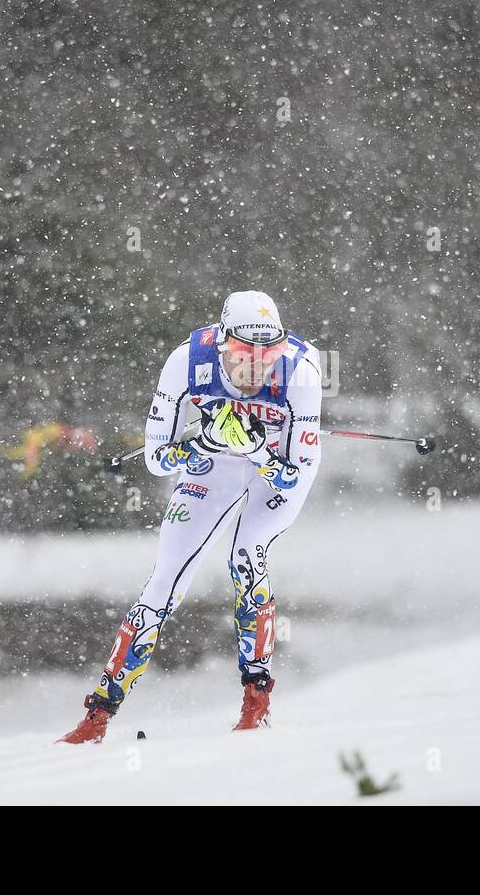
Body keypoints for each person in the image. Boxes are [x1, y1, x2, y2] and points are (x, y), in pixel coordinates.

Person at [60, 290, 324, 743]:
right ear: (223, 343)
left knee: (246, 555)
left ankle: (256, 699)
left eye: (269, 351)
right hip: (215, 461)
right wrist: (201, 444)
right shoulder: (186, 361)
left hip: (274, 460)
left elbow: (292, 475)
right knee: (165, 581)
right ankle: (98, 716)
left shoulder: (301, 369)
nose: (258, 363)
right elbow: (157, 459)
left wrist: (258, 446)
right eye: (245, 351)